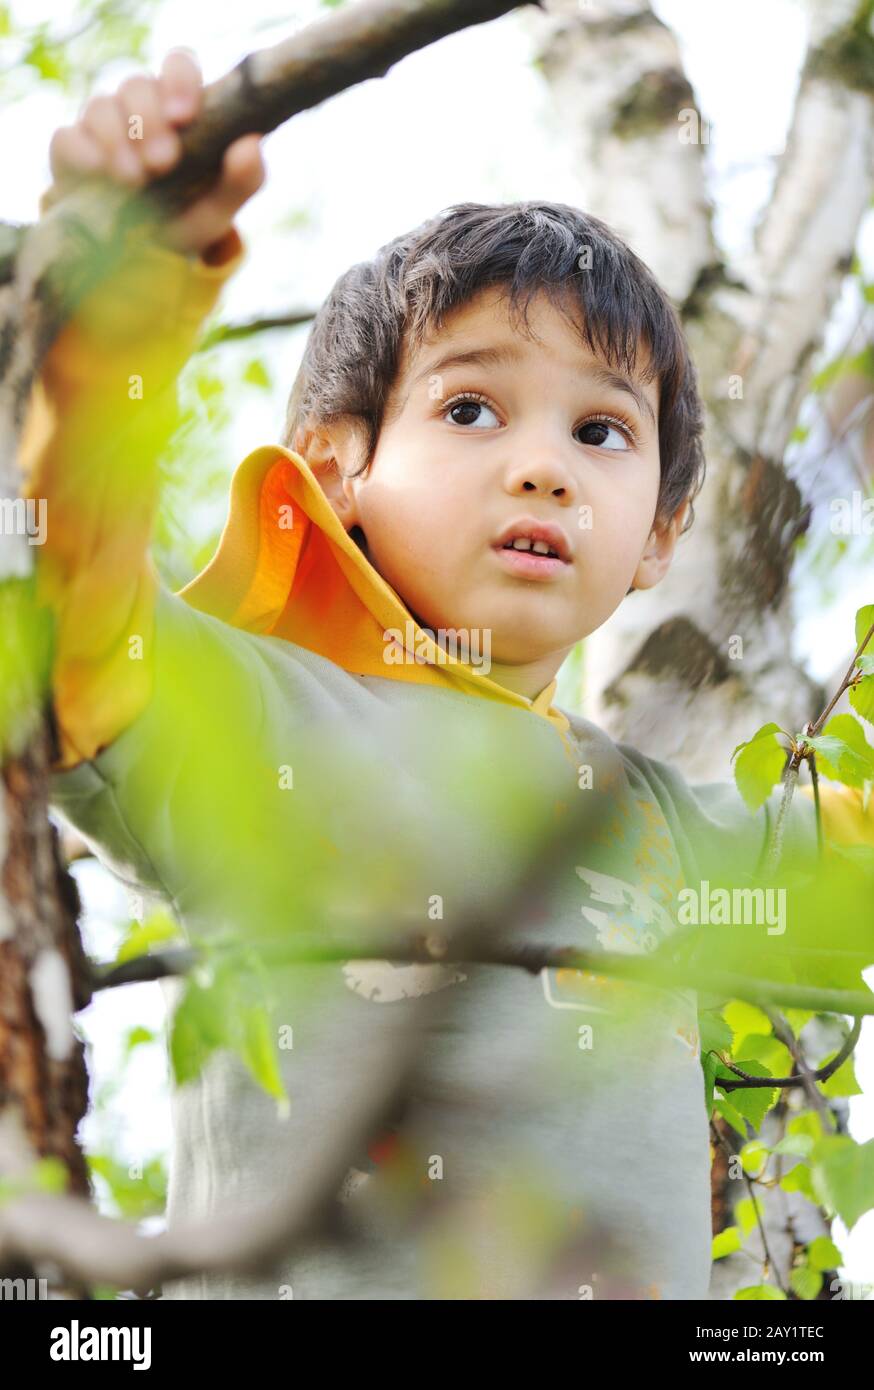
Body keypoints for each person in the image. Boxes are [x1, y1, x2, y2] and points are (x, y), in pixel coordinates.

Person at [22, 48, 873, 1300]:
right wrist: (120, 285)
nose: (543, 468)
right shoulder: (262, 715)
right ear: (334, 459)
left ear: (658, 537)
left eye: (600, 431)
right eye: (472, 409)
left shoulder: (663, 825)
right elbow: (67, 608)